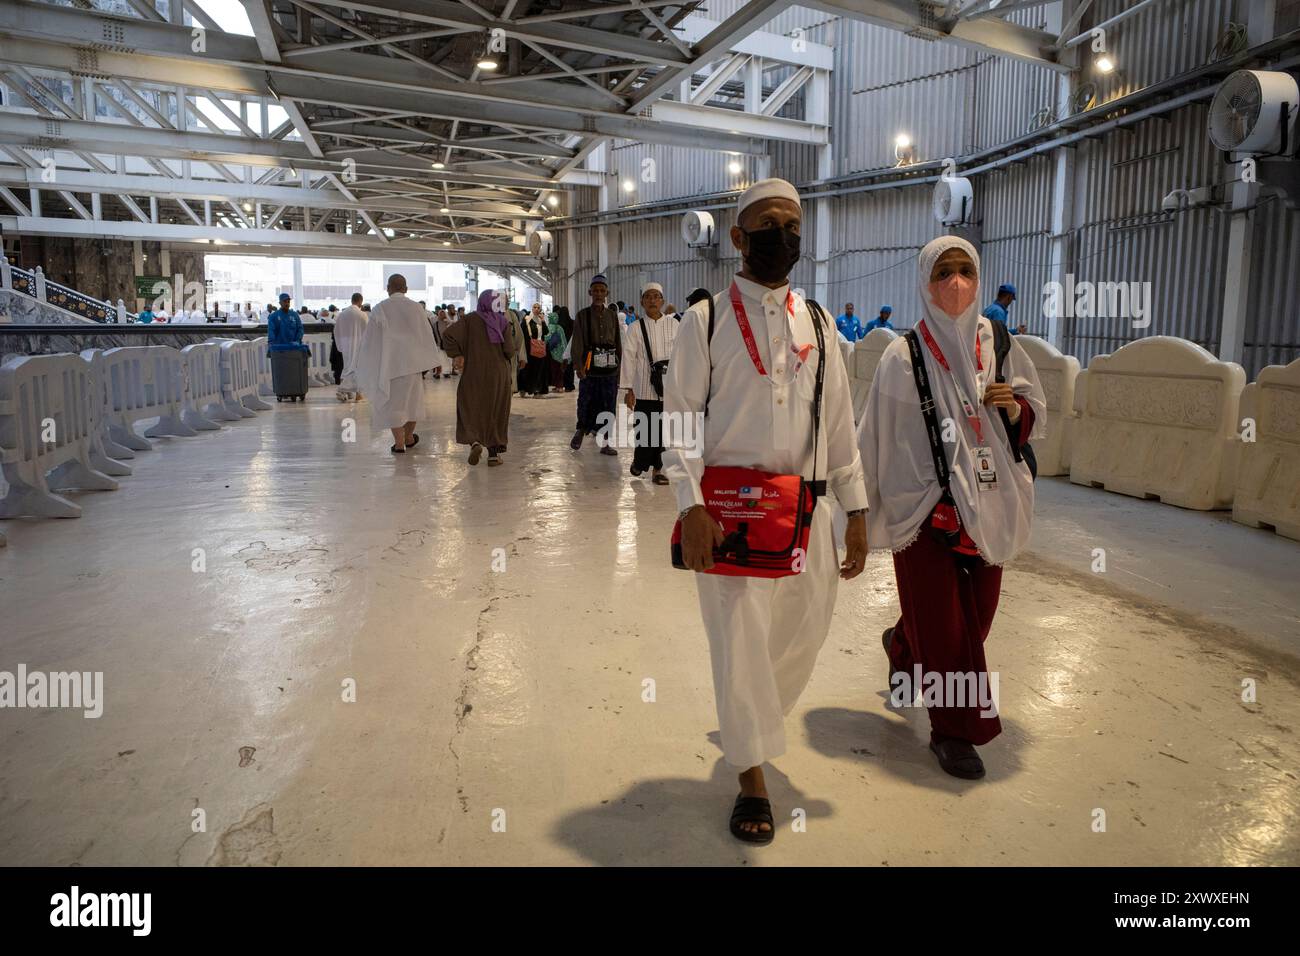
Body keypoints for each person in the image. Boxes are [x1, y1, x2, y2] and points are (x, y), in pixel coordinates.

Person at [663, 178, 868, 844]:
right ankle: (750, 774)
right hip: (728, 513)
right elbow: (681, 427)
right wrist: (691, 506)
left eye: (793, 224)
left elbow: (839, 426)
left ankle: (745, 719)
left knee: (800, 635)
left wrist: (856, 508)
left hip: (807, 510)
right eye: (769, 223)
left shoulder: (821, 323)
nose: (784, 234)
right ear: (738, 238)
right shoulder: (707, 320)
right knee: (741, 641)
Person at [857, 236, 1044, 780]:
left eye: (966, 270)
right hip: (922, 511)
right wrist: (857, 513)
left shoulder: (999, 343)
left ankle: (901, 644)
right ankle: (953, 731)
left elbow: (1037, 408)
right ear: (925, 281)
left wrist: (1015, 410)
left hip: (989, 502)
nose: (957, 283)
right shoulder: (903, 354)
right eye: (945, 272)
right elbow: (874, 437)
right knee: (946, 628)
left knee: (976, 619)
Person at [353, 274, 440, 454]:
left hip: (390, 365)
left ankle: (399, 443)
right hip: (412, 366)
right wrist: (433, 360)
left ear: (388, 287)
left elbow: (371, 340)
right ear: (406, 289)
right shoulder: (417, 308)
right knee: (412, 404)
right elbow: (426, 336)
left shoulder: (380, 309)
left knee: (393, 404)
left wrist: (371, 361)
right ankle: (409, 437)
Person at [442, 289, 519, 467]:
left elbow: (448, 335)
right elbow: (508, 350)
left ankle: (474, 442)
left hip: (474, 372)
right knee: (496, 410)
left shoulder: (469, 320)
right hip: (498, 374)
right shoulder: (502, 321)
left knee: (469, 406)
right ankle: (493, 455)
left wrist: (458, 354)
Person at [620, 282, 677, 485]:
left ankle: (658, 470)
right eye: (648, 297)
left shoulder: (674, 325)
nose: (652, 300)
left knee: (664, 432)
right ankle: (640, 461)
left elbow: (682, 355)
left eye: (656, 296)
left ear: (662, 300)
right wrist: (628, 388)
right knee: (645, 430)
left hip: (669, 389)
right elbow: (629, 358)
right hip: (644, 388)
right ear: (642, 302)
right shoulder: (635, 327)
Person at [570, 275, 622, 455]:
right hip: (590, 367)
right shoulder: (582, 315)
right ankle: (580, 430)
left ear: (607, 293)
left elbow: (618, 343)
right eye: (596, 290)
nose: (599, 294)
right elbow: (577, 342)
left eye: (602, 290)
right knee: (586, 401)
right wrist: (578, 365)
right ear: (590, 292)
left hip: (610, 369)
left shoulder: (612, 316)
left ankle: (605, 442)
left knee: (608, 404)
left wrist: (620, 370)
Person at [334, 292, 368, 402]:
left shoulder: (342, 314)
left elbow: (336, 330)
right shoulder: (362, 315)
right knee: (357, 368)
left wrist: (340, 344)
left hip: (345, 344)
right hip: (358, 344)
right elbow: (368, 332)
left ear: (351, 300)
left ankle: (349, 392)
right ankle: (345, 390)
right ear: (360, 302)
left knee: (347, 366)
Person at [519, 303, 550, 397]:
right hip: (529, 349)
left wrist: (543, 321)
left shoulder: (541, 320)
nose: (536, 309)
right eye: (534, 307)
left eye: (538, 308)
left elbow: (546, 332)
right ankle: (524, 388)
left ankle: (537, 390)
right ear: (532, 308)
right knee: (528, 370)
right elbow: (521, 334)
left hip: (539, 349)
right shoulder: (526, 320)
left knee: (539, 370)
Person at [554, 306, 575, 391]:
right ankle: (569, 385)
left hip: (560, 348)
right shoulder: (572, 322)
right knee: (570, 367)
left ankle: (560, 384)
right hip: (570, 347)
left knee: (561, 367)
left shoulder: (558, 324)